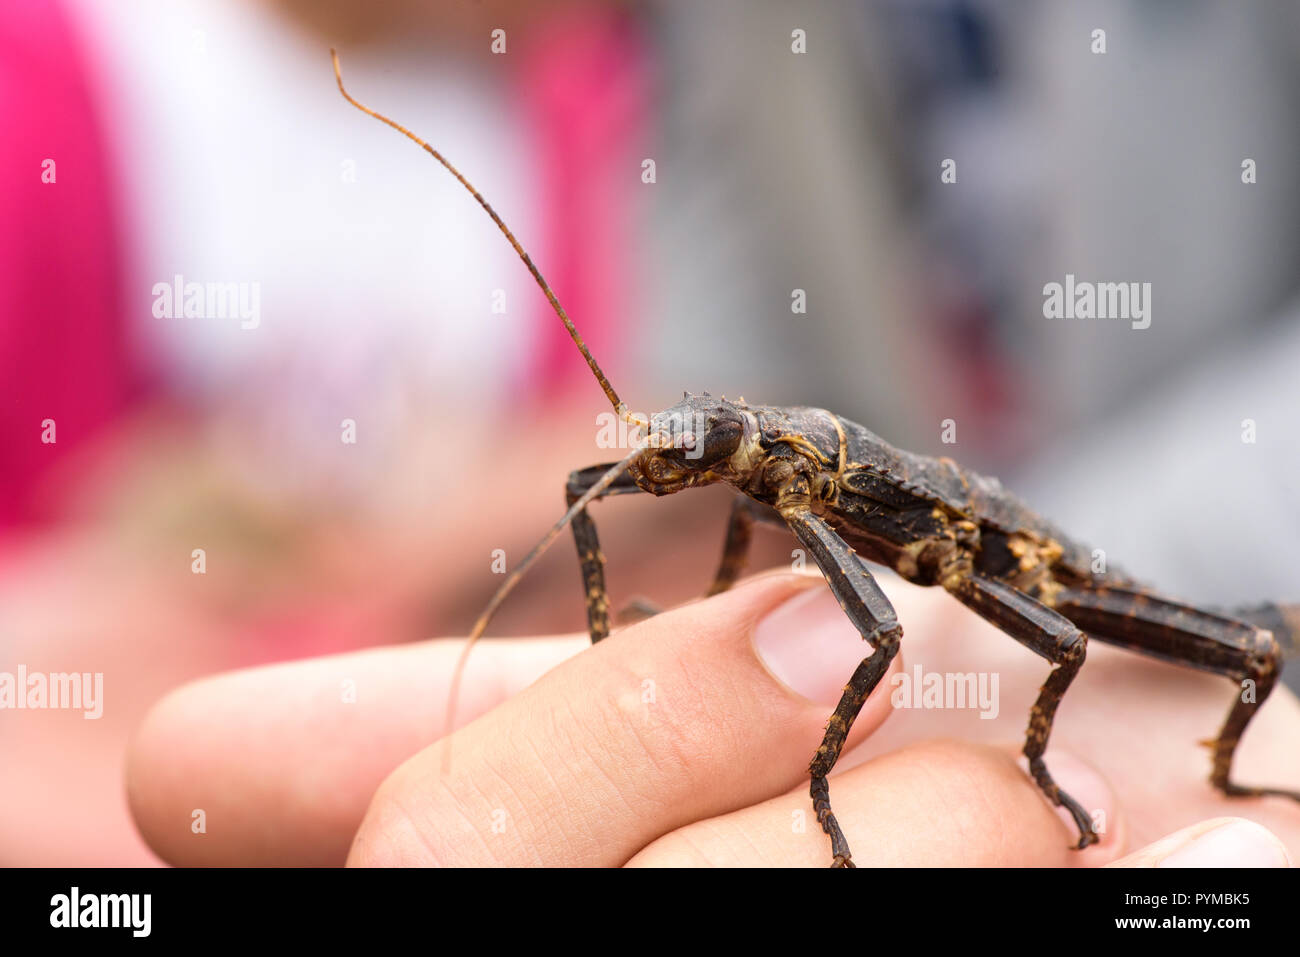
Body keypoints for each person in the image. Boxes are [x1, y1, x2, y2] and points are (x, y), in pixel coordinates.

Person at [126, 570, 1297, 866]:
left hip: (1056, 566)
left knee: (1247, 646)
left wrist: (825, 783)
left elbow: (887, 632)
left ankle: (1204, 768)